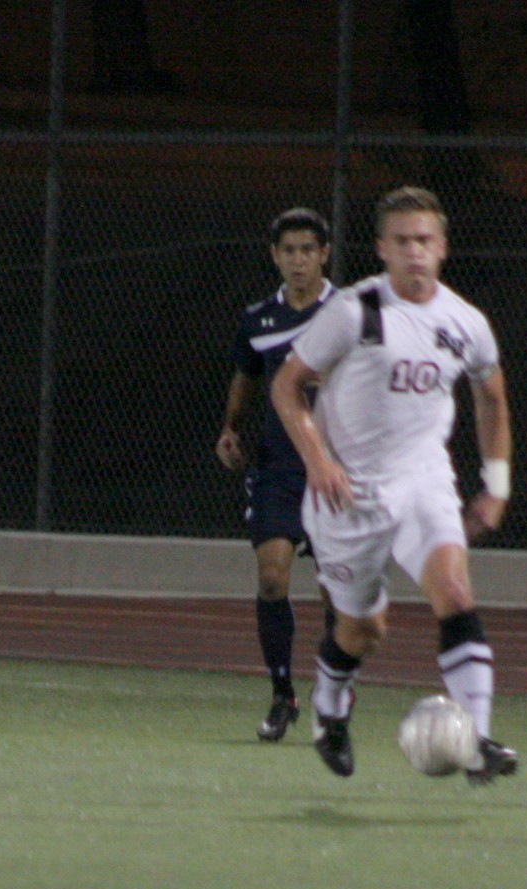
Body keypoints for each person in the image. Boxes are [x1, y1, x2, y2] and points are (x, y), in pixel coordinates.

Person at [270, 185, 518, 784]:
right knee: (363, 630)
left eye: (425, 241)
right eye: (402, 241)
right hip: (348, 497)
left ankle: (479, 737)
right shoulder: (355, 312)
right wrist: (318, 461)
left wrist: (496, 485)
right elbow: (287, 386)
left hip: (423, 481)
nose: (414, 253)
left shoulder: (465, 322)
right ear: (382, 248)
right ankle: (330, 708)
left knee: (455, 595)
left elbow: (491, 395)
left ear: (443, 247)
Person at [215, 208, 334, 742]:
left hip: (337, 471)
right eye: (289, 251)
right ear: (275, 257)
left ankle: (333, 692)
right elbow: (245, 376)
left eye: (308, 250)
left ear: (324, 254)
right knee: (271, 578)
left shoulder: (349, 313)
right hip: (278, 468)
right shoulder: (259, 319)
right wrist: (231, 428)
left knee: (340, 592)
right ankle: (282, 694)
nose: (298, 261)